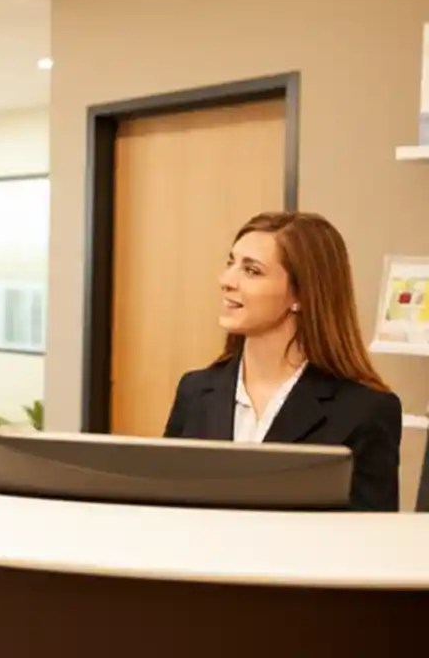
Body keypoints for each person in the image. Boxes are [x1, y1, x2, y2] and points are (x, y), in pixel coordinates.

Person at [164, 211, 402, 511]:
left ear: (300, 294)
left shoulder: (366, 410)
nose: (226, 281)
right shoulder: (195, 391)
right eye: (231, 263)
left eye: (252, 271)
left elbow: (371, 540)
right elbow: (167, 513)